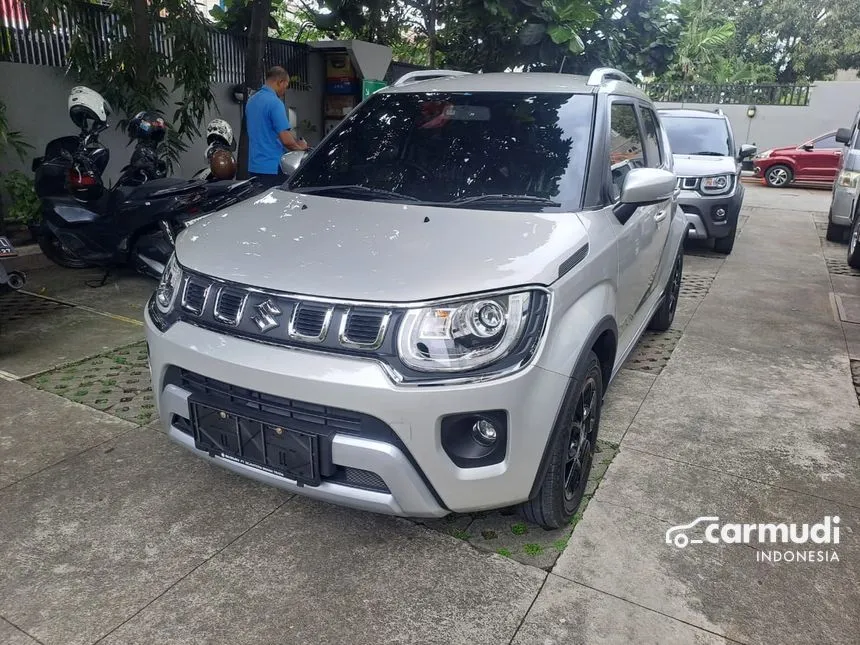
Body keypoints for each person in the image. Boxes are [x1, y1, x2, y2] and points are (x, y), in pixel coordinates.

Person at [245, 66, 308, 188]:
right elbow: (286, 140)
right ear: (280, 82)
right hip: (272, 168)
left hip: (253, 167)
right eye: (286, 85)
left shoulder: (251, 101)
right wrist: (302, 149)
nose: (285, 89)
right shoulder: (275, 103)